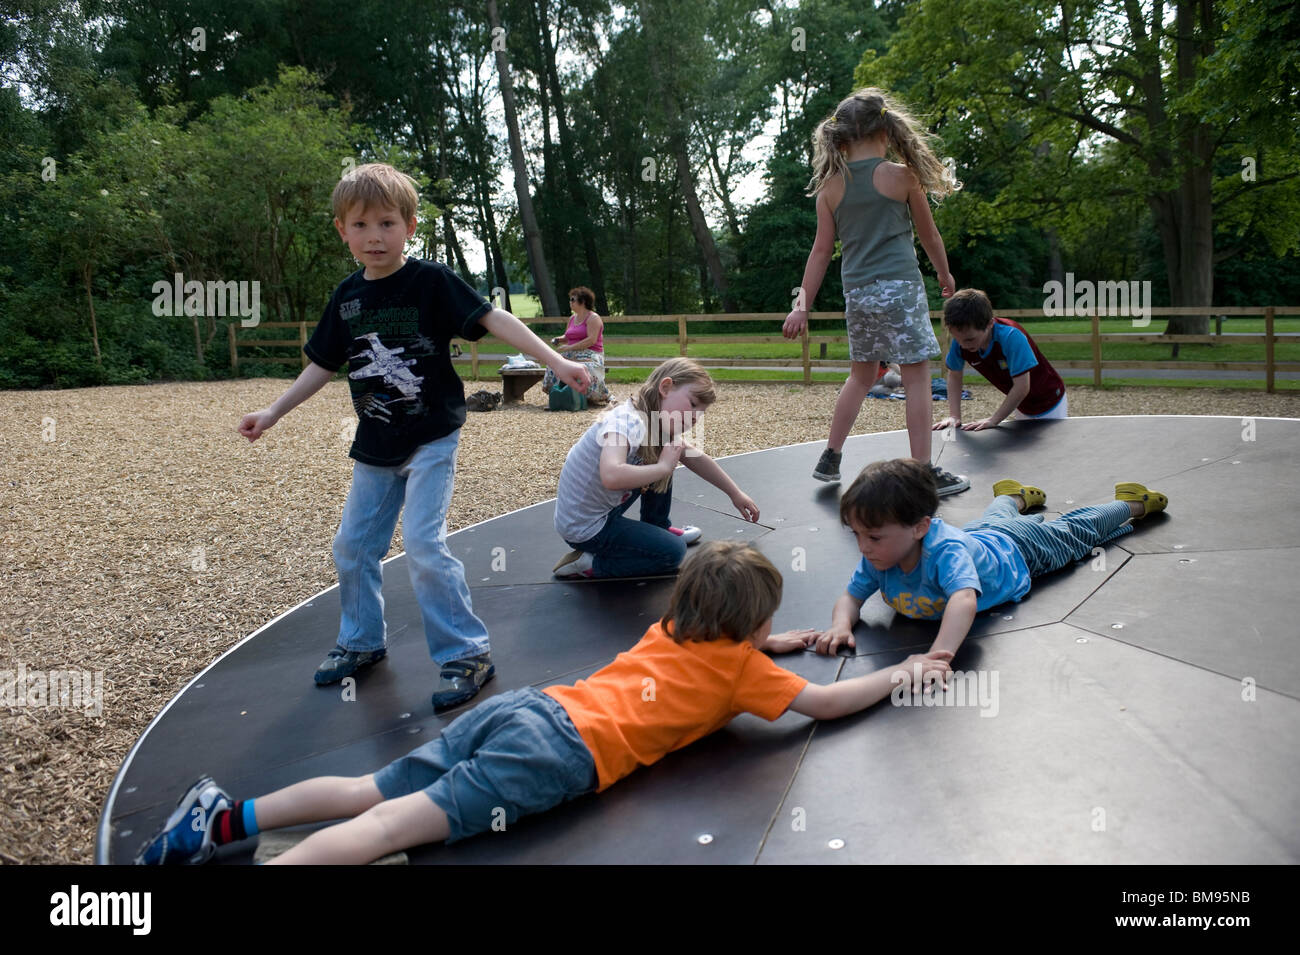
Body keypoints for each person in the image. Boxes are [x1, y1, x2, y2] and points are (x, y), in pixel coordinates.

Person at [134, 541, 952, 865]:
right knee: (387, 832)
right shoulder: (746, 671)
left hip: (524, 708)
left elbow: (728, 645)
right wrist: (905, 669)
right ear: (753, 624)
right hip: (556, 755)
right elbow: (825, 706)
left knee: (366, 791)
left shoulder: (674, 628)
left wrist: (782, 637)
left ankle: (224, 817)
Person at [238, 163, 590, 711]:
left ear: (410, 226)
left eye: (386, 223)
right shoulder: (347, 298)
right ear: (342, 231)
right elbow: (322, 364)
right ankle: (361, 641)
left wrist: (555, 362)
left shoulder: (431, 281)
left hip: (431, 437)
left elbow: (496, 320)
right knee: (353, 546)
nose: (374, 236)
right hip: (376, 443)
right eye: (360, 225)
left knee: (424, 544)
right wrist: (274, 410)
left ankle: (466, 653)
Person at [782, 87, 968, 496]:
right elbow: (929, 235)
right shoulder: (902, 176)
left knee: (861, 376)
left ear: (842, 139)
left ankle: (830, 457)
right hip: (900, 289)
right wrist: (945, 275)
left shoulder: (831, 188)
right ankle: (922, 474)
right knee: (917, 377)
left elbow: (820, 252)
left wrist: (802, 304)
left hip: (859, 294)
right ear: (886, 131)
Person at [807, 459, 1169, 658]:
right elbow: (851, 597)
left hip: (1022, 551)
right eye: (856, 535)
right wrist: (841, 625)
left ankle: (1132, 502)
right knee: (994, 519)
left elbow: (963, 599)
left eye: (872, 537)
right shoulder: (880, 554)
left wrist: (941, 653)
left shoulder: (946, 552)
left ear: (920, 528)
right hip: (981, 536)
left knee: (1076, 533)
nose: (863, 547)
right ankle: (1013, 496)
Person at [552, 358, 758, 579]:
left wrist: (734, 493)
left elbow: (694, 458)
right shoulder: (625, 422)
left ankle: (658, 526)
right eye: (693, 404)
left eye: (702, 412)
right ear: (666, 387)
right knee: (671, 553)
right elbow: (611, 476)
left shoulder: (655, 419)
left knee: (668, 452)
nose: (696, 417)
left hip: (604, 506)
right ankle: (590, 563)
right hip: (585, 527)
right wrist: (662, 467)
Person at [933, 288, 1067, 432]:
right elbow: (954, 375)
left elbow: (1022, 387)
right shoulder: (961, 342)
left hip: (1050, 399)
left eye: (970, 339)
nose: (964, 345)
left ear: (989, 324)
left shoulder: (1011, 337)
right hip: (1021, 404)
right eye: (958, 340)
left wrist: (994, 420)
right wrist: (954, 416)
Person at [543, 285, 611, 405]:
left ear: (583, 301)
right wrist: (558, 340)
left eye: (573, 300)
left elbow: (591, 340)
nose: (570, 302)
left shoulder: (593, 318)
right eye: (570, 299)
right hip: (572, 352)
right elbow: (567, 337)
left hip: (591, 353)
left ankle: (595, 395)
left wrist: (569, 347)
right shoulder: (572, 318)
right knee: (553, 363)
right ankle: (559, 393)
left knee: (586, 367)